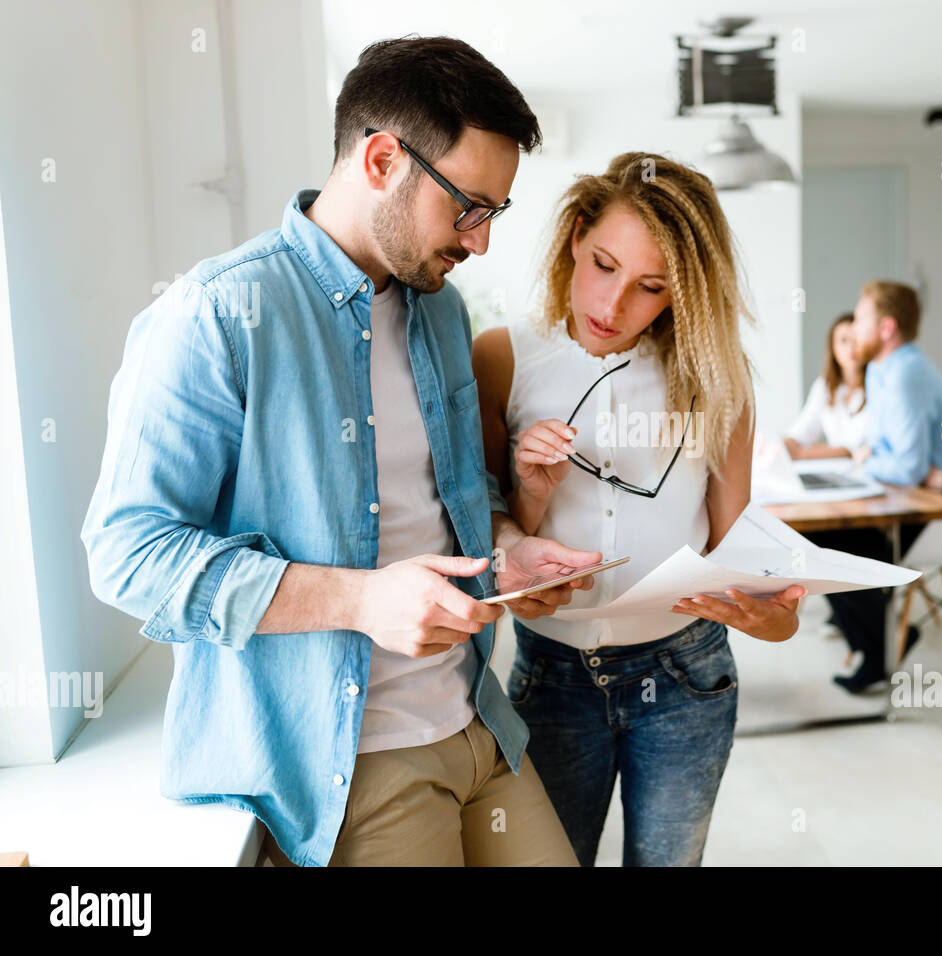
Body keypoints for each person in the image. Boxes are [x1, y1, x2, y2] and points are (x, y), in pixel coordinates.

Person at [81, 36, 602, 867]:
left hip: (478, 723)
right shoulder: (216, 314)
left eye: (493, 214)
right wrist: (360, 601)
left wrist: (510, 551)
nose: (480, 242)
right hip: (348, 762)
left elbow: (450, 510)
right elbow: (127, 555)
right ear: (383, 159)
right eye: (468, 206)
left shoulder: (440, 312)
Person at [473, 152, 806, 866]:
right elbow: (487, 542)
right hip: (552, 678)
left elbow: (735, 547)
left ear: (680, 293)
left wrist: (778, 616)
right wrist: (530, 491)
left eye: (650, 287)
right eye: (603, 264)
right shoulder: (501, 359)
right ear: (576, 236)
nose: (612, 305)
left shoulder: (716, 380)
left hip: (688, 675)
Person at [807, 280, 942, 694]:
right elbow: (885, 453)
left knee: (830, 545)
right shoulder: (880, 370)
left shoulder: (908, 374)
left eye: (860, 320)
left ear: (887, 327)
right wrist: (874, 460)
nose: (854, 329)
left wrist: (872, 461)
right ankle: (882, 642)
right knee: (820, 542)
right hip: (917, 495)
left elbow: (906, 468)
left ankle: (879, 646)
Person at [784, 312, 870, 460]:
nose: (851, 347)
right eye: (844, 340)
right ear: (833, 348)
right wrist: (782, 445)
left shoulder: (878, 386)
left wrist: (807, 453)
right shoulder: (824, 387)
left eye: (857, 340)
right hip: (837, 471)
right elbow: (801, 432)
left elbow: (855, 450)